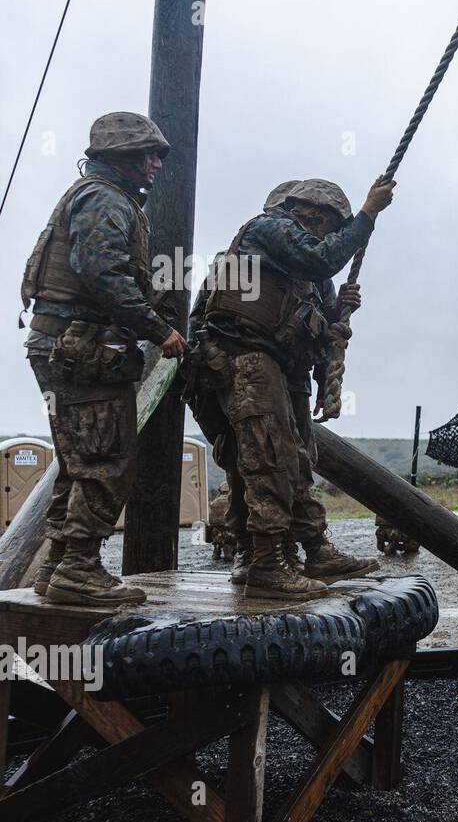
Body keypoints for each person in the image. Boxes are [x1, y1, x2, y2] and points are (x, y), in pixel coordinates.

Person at [186, 176, 393, 597]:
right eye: (327, 226)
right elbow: (322, 259)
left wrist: (335, 319)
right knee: (268, 459)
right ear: (308, 213)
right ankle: (264, 561)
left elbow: (312, 326)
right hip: (245, 358)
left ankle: (308, 549)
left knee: (295, 461)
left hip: (283, 367)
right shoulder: (268, 229)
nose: (328, 235)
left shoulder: (306, 277)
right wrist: (369, 212)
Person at [20, 112, 187, 605]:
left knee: (80, 461)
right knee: (105, 460)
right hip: (84, 349)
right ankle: (78, 569)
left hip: (69, 346)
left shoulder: (99, 198)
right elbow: (103, 275)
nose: (157, 164)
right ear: (123, 158)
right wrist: (160, 331)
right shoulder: (104, 200)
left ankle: (58, 567)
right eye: (148, 155)